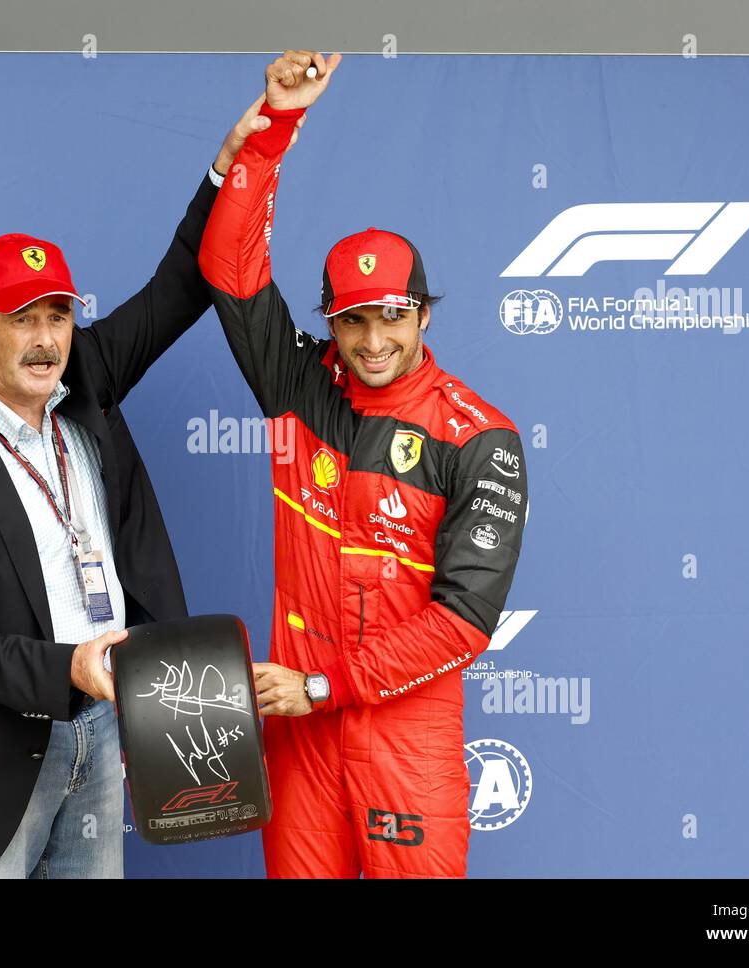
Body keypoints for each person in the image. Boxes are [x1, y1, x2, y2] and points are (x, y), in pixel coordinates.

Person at [0, 86, 303, 880]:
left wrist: (242, 155)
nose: (44, 341)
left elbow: (179, 283)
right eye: (22, 318)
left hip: (102, 734)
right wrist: (64, 668)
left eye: (58, 317)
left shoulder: (87, 379)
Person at [199, 51, 529, 878]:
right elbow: (229, 269)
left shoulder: (480, 436)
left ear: (421, 312)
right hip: (300, 741)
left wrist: (323, 687)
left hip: (401, 738)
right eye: (353, 321)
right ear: (330, 323)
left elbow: (464, 623)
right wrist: (275, 124)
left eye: (394, 317)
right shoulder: (297, 383)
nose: (374, 341)